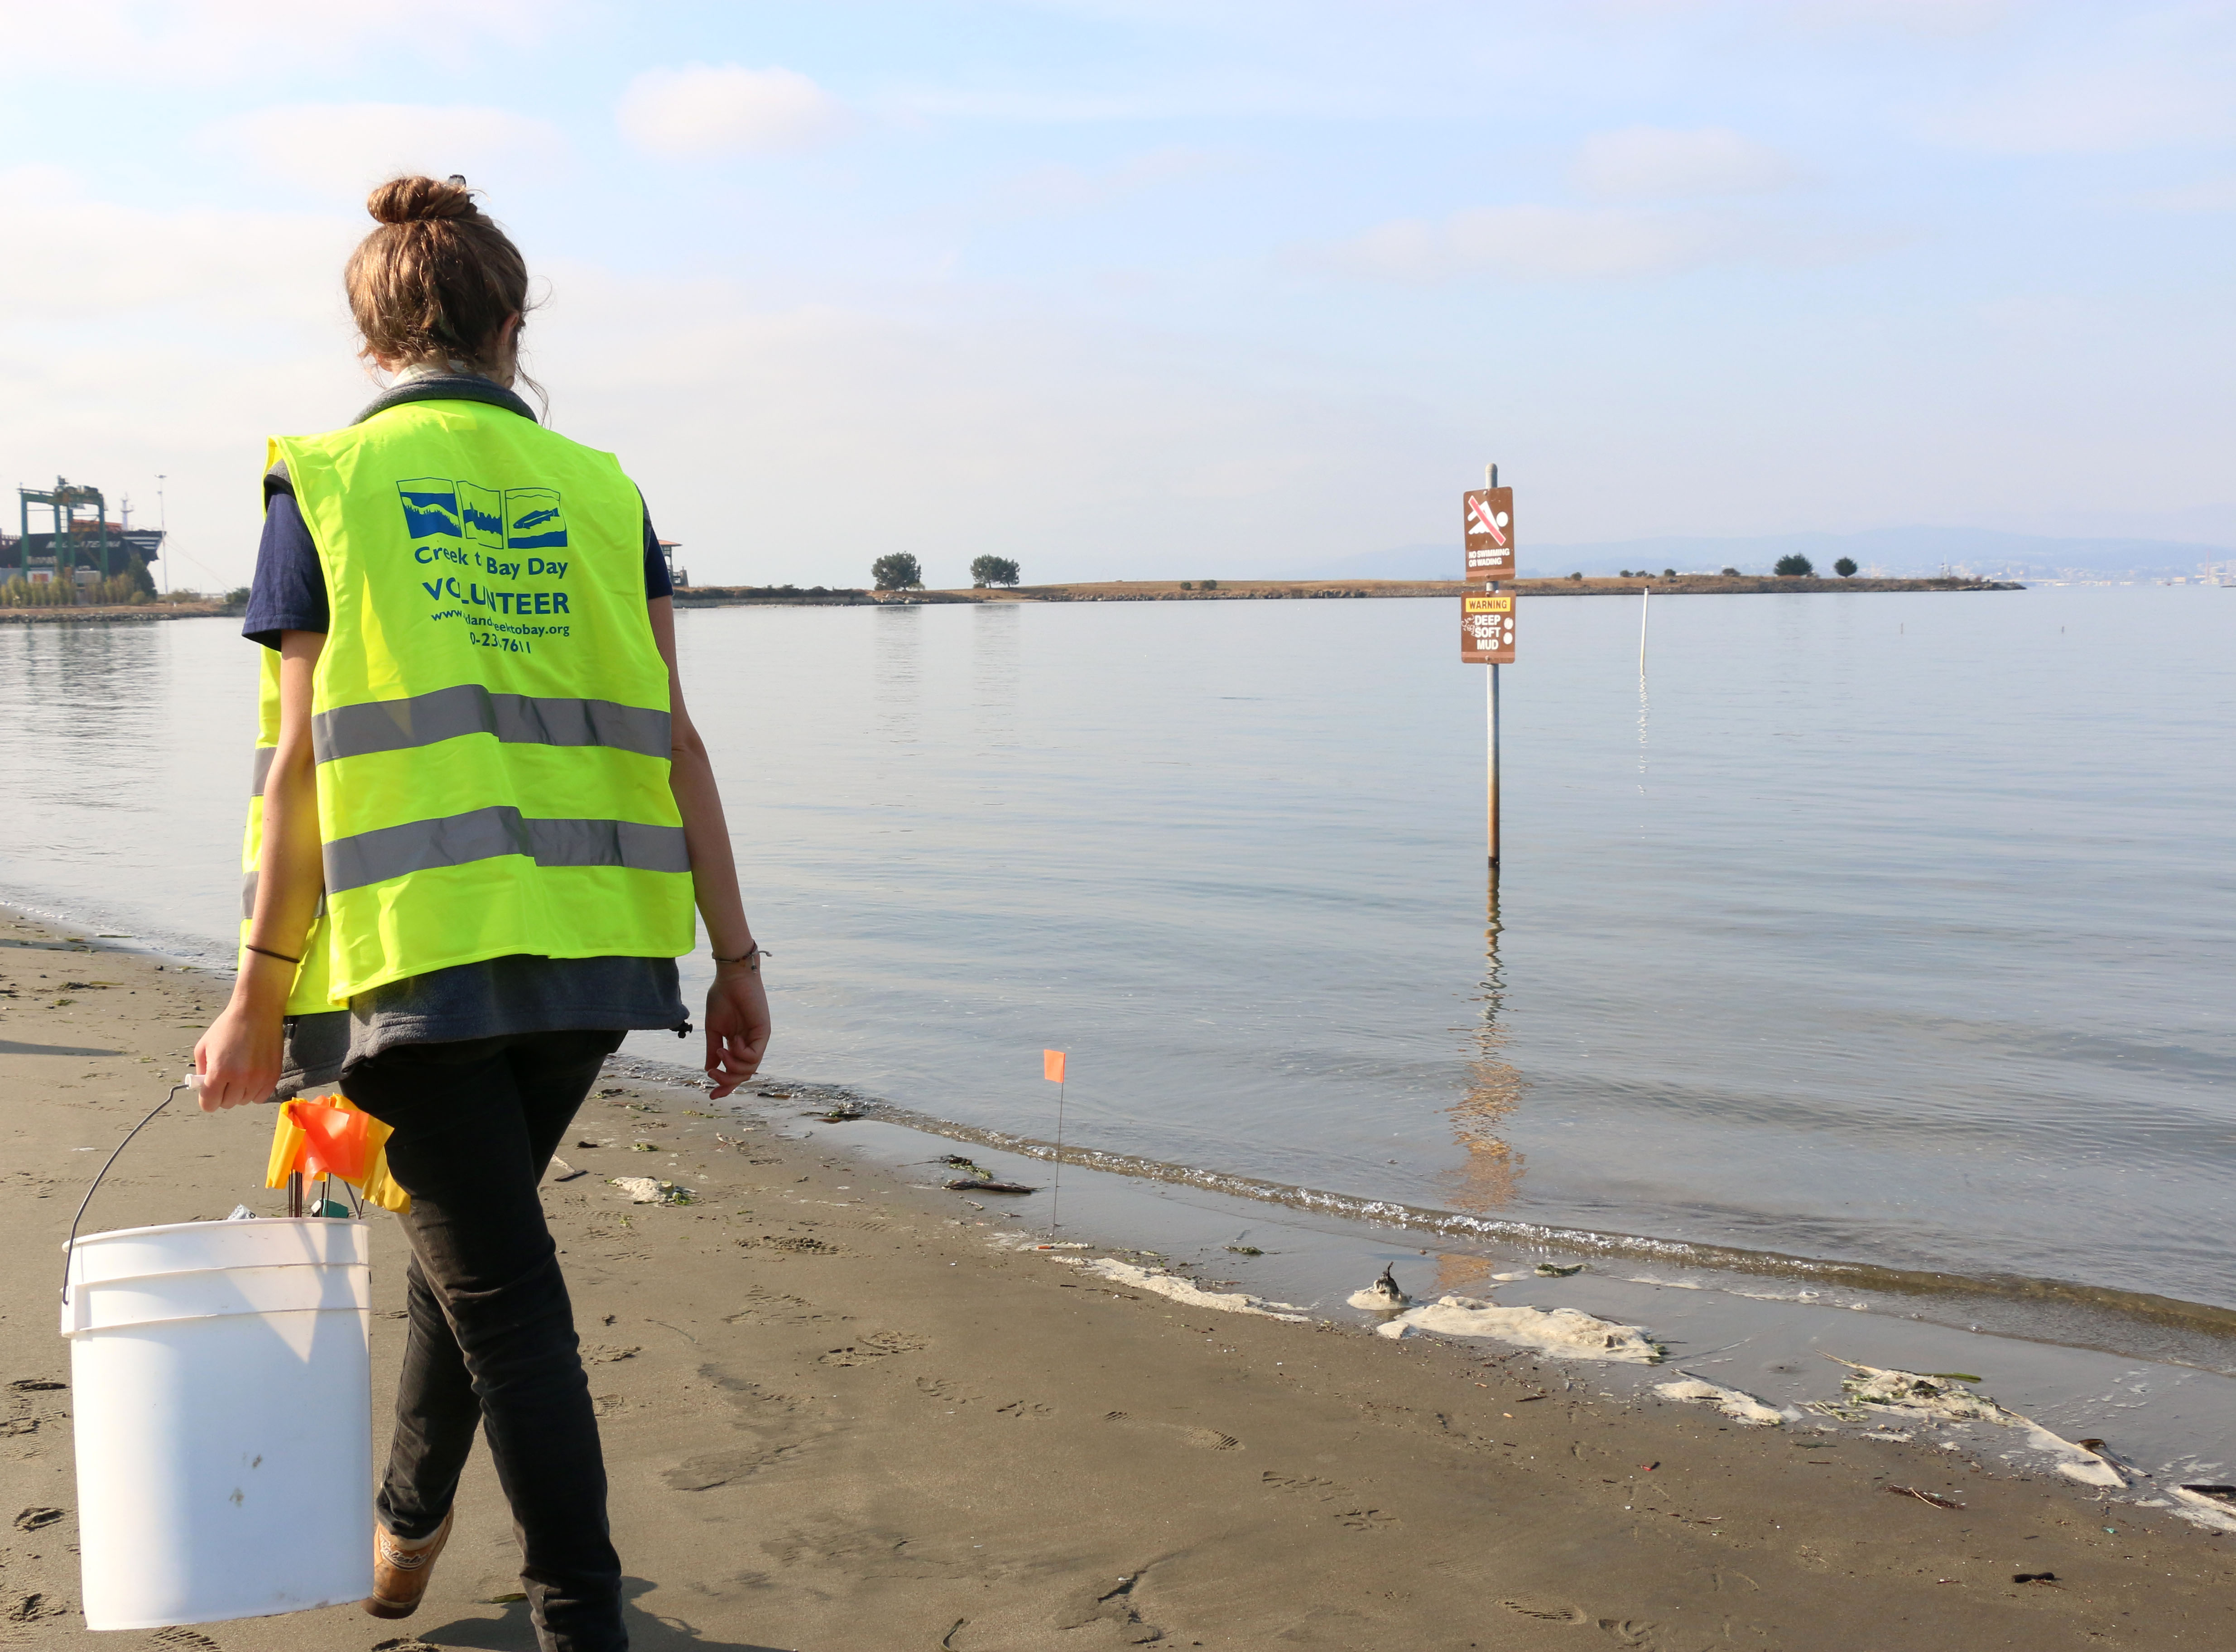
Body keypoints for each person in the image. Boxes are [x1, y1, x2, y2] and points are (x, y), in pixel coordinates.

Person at [192, 173, 771, 1652]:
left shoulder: (326, 484)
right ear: (514, 326)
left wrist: (257, 987)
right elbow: (677, 739)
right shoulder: (603, 491)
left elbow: (301, 764)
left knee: (503, 1297)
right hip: (600, 956)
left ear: (371, 337)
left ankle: (579, 1618)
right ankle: (406, 1524)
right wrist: (735, 958)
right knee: (475, 1258)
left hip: (422, 964)